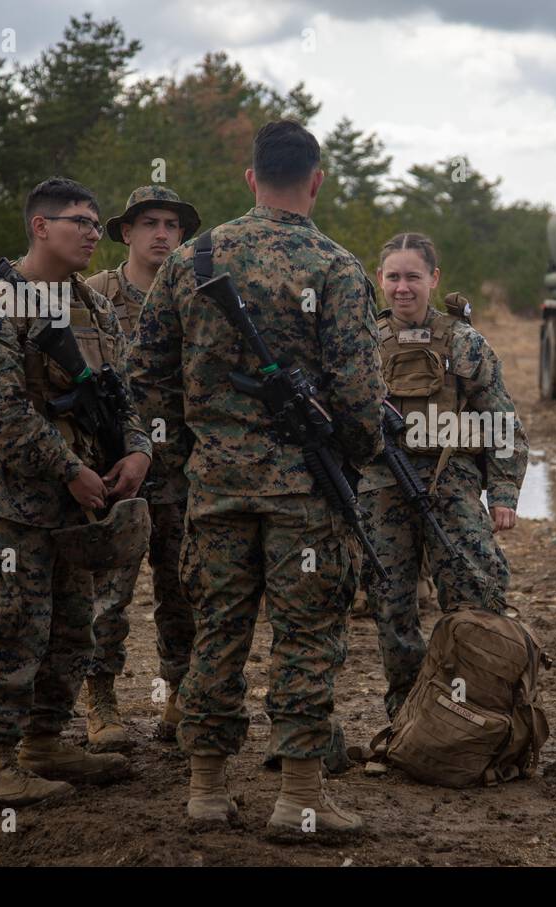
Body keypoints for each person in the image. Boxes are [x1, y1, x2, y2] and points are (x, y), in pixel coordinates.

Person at [129, 120, 384, 835]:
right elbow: (361, 399)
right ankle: (300, 794)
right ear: (316, 180)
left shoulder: (190, 261)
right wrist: (351, 458)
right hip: (306, 497)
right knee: (305, 638)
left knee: (217, 632)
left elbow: (145, 380)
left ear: (250, 178)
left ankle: (206, 788)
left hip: (214, 490)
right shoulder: (336, 266)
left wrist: (188, 460)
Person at [0, 177, 152, 805]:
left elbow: (120, 392)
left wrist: (138, 449)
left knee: (73, 632)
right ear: (40, 226)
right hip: (7, 507)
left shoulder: (90, 306)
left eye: (98, 225)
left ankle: (42, 743)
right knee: (9, 629)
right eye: (80, 222)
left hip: (79, 504)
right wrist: (68, 466)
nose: (95, 233)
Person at [360, 232, 528, 720]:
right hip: (380, 486)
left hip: (448, 482)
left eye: (413, 276)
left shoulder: (463, 342)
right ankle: (407, 712)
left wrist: (503, 493)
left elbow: (503, 423)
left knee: (475, 591)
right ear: (380, 280)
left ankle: (474, 705)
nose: (402, 287)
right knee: (391, 603)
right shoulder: (366, 341)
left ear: (434, 279)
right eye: (393, 277)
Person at [84, 186, 202, 752]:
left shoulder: (197, 296)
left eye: (173, 225)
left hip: (182, 468)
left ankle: (180, 695)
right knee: (109, 590)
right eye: (150, 223)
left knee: (183, 589)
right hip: (114, 470)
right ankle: (100, 699)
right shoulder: (94, 297)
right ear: (125, 233)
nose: (162, 234)